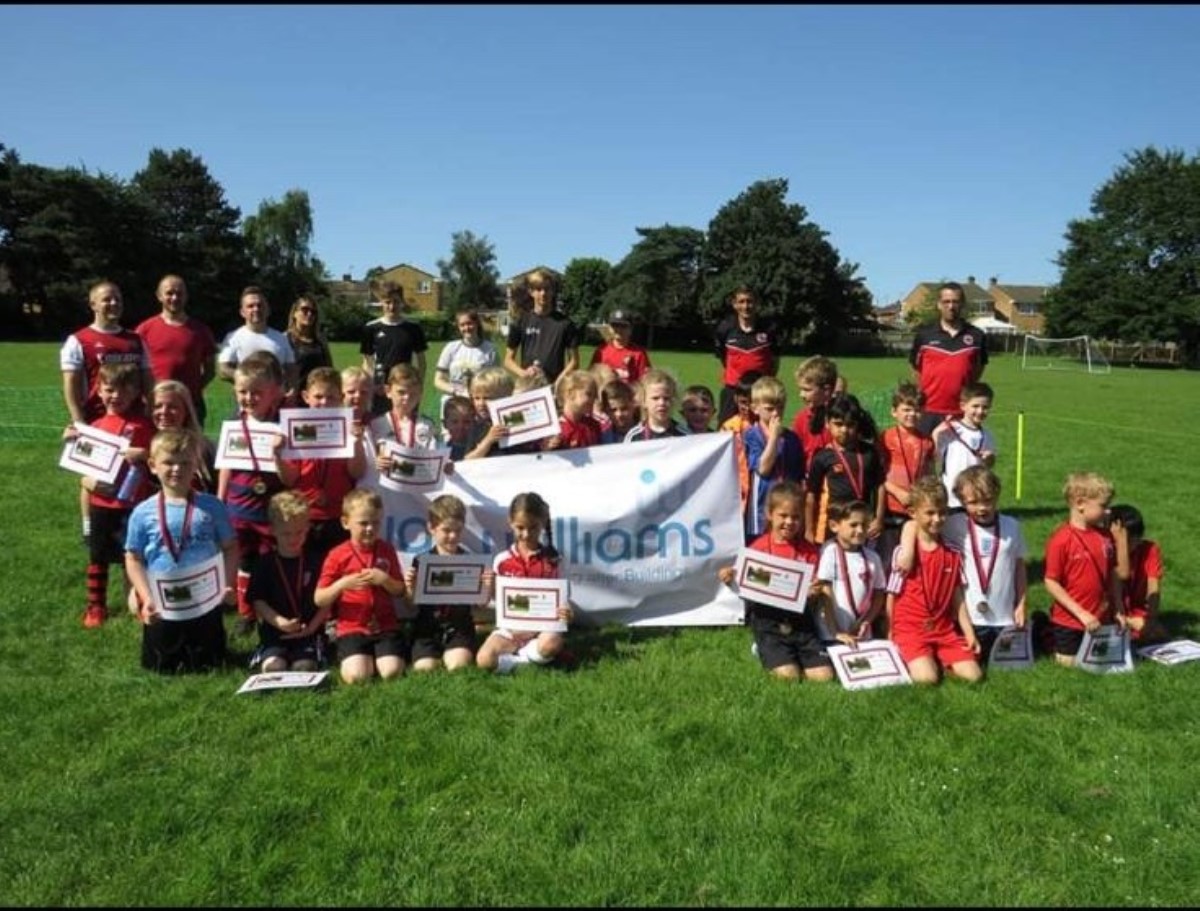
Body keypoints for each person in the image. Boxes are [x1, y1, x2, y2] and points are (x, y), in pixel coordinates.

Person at [125, 429, 237, 673]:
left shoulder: (212, 507)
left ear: (196, 465)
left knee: (210, 665)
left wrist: (227, 584)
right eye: (169, 463)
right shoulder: (142, 512)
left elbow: (230, 547)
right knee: (161, 666)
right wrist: (146, 597)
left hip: (205, 597)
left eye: (185, 463)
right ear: (153, 466)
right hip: (162, 601)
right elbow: (133, 558)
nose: (177, 469)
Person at [61, 279, 152, 545]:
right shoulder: (79, 340)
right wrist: (80, 423)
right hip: (97, 420)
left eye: (117, 299)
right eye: (107, 299)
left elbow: (148, 380)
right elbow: (71, 386)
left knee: (132, 475)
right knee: (93, 477)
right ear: (93, 304)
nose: (113, 303)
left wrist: (150, 412)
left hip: (132, 420)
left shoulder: (135, 340)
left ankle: (132, 522)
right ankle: (91, 525)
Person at [67, 362, 156, 628]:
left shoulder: (143, 425)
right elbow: (81, 466)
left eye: (122, 390)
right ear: (99, 391)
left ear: (135, 393)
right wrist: (72, 441)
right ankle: (96, 606)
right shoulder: (94, 426)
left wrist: (142, 454)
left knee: (133, 555)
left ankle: (141, 600)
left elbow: (157, 455)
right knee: (98, 556)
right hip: (101, 503)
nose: (115, 396)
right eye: (109, 390)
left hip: (132, 505)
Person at [717, 481, 833, 682]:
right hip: (768, 621)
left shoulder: (810, 552)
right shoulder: (757, 549)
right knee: (788, 677)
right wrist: (729, 578)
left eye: (795, 517)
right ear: (770, 514)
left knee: (824, 678)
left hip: (801, 622)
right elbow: (743, 583)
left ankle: (796, 655)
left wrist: (813, 593)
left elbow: (816, 593)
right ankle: (762, 647)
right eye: (783, 515)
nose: (789, 522)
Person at [217, 351, 288, 636]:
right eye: (242, 392)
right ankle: (246, 613)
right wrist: (220, 500)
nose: (248, 398)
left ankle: (274, 606)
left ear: (274, 392)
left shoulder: (283, 423)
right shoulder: (234, 422)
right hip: (238, 505)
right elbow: (225, 464)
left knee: (272, 558)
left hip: (270, 507)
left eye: (257, 392)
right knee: (244, 560)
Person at [887, 476, 983, 685]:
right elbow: (891, 595)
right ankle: (926, 662)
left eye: (942, 512)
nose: (937, 519)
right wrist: (889, 632)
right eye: (930, 513)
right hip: (911, 629)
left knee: (974, 676)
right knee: (926, 680)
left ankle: (938, 659)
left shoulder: (953, 552)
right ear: (913, 513)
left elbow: (957, 597)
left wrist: (968, 632)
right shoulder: (904, 553)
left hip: (944, 629)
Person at [310, 488, 409, 684]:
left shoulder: (386, 549)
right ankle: (359, 656)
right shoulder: (337, 555)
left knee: (392, 673)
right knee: (357, 677)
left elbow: (400, 591)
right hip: (351, 627)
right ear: (345, 523)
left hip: (385, 625)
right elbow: (319, 598)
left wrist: (385, 580)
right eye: (363, 523)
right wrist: (342, 584)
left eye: (376, 522)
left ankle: (382, 655)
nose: (370, 528)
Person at [276, 367, 367, 566]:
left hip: (338, 516)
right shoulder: (294, 428)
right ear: (305, 396)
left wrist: (357, 442)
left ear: (341, 397)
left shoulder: (347, 428)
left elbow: (357, 472)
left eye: (332, 397)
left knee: (337, 570)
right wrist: (277, 455)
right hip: (304, 516)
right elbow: (289, 479)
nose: (324, 402)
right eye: (318, 396)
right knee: (304, 572)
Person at [477, 492, 574, 674]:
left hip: (542, 631)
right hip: (511, 630)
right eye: (520, 528)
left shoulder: (554, 560)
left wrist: (567, 613)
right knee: (484, 660)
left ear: (543, 523)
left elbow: (563, 600)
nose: (527, 534)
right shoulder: (502, 560)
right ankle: (534, 662)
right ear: (510, 523)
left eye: (533, 527)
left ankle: (525, 661)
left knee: (551, 643)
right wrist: (488, 586)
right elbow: (489, 600)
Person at [941, 466, 1028, 661]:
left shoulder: (1011, 526)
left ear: (997, 496)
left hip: (1004, 616)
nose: (982, 508)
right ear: (962, 501)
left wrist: (1021, 604)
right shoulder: (953, 525)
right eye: (973, 502)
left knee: (1007, 668)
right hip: (969, 618)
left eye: (988, 500)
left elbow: (1019, 567)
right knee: (972, 664)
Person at [403, 494, 496, 673]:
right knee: (425, 669)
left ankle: (453, 652)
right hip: (427, 628)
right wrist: (410, 588)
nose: (453, 536)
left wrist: (487, 586)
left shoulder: (470, 561)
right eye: (446, 530)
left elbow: (481, 602)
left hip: (460, 627)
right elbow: (410, 605)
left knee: (458, 666)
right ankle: (429, 654)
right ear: (432, 528)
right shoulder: (421, 561)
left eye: (458, 531)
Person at [1043, 472, 1125, 666]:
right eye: (1103, 506)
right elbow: (1051, 581)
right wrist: (1081, 613)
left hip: (1101, 617)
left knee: (1099, 663)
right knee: (1070, 665)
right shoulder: (1061, 540)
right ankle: (1043, 630)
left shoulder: (1106, 537)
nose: (1108, 512)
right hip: (1069, 620)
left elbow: (1112, 573)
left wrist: (1119, 608)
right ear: (1080, 503)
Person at [248, 491, 324, 673]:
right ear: (273, 530)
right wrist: (279, 621)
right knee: (274, 667)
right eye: (286, 533)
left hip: (308, 632)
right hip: (275, 632)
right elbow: (258, 600)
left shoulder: (316, 561)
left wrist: (312, 627)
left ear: (308, 528)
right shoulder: (264, 563)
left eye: (299, 532)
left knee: (304, 667)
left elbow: (326, 601)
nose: (293, 539)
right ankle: (268, 654)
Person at [135, 274, 218, 428]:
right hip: (156, 404)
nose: (174, 298)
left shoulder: (201, 330)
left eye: (179, 293)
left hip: (190, 403)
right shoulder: (144, 330)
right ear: (159, 296)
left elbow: (210, 370)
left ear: (186, 296)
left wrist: (192, 390)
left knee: (191, 447)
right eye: (169, 293)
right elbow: (136, 368)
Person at [804, 393, 886, 546]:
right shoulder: (822, 457)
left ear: (857, 425)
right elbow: (811, 496)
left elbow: (880, 486)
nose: (844, 429)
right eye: (838, 424)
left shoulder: (869, 452)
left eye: (850, 425)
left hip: (863, 526)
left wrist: (879, 518)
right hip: (832, 528)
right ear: (827, 423)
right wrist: (809, 529)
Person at [910, 281, 988, 437]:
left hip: (961, 413)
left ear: (962, 304)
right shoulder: (924, 335)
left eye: (955, 302)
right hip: (928, 412)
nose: (951, 306)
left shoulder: (977, 336)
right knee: (925, 460)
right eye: (946, 302)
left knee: (960, 460)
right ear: (939, 304)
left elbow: (978, 370)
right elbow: (915, 370)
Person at [877, 382, 936, 568]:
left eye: (917, 410)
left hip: (915, 509)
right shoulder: (885, 438)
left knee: (911, 557)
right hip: (890, 507)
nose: (912, 414)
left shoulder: (926, 441)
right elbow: (878, 473)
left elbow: (929, 474)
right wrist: (897, 492)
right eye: (907, 409)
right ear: (894, 411)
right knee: (888, 558)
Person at [742, 376, 805, 541]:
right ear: (755, 408)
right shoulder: (751, 435)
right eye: (769, 409)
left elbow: (799, 476)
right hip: (762, 506)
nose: (776, 413)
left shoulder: (792, 438)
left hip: (788, 508)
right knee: (760, 551)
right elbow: (763, 468)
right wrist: (773, 438)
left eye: (780, 408)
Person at [815, 499, 887, 644]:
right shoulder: (830, 552)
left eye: (864, 525)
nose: (860, 530)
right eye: (853, 525)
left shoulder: (873, 558)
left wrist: (866, 621)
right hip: (831, 633)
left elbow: (879, 594)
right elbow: (825, 593)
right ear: (834, 526)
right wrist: (836, 632)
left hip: (861, 633)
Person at [216, 286, 299, 407]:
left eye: (260, 305)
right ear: (242, 312)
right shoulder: (233, 337)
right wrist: (250, 379)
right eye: (250, 306)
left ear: (268, 310)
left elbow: (292, 369)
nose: (256, 309)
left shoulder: (281, 338)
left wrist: (292, 389)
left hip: (276, 403)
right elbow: (222, 370)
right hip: (246, 403)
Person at [713, 286, 781, 424]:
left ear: (756, 303)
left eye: (750, 301)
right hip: (732, 391)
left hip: (760, 392)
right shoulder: (725, 328)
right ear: (735, 304)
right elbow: (723, 357)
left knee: (762, 430)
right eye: (741, 301)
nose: (746, 306)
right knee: (726, 431)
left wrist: (767, 384)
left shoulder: (769, 329)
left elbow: (775, 359)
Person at [360, 281, 429, 418]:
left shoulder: (413, 328)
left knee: (406, 425)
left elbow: (422, 362)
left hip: (405, 389)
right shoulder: (371, 328)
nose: (392, 306)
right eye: (387, 302)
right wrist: (371, 385)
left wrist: (418, 386)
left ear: (402, 302)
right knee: (380, 426)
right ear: (381, 303)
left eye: (396, 302)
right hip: (380, 390)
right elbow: (367, 362)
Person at [504, 270, 579, 385]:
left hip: (555, 387)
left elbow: (574, 361)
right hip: (529, 386)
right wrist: (524, 373)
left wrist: (559, 382)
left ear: (553, 291)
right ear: (531, 292)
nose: (543, 293)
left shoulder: (565, 324)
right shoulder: (520, 321)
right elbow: (508, 360)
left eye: (547, 289)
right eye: (539, 289)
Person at [933, 381, 997, 511]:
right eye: (975, 406)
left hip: (976, 496)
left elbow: (989, 464)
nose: (980, 411)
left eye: (985, 407)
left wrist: (989, 459)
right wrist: (936, 434)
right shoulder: (950, 430)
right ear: (963, 406)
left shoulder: (987, 435)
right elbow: (934, 457)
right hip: (952, 496)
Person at [1109, 503, 1167, 643]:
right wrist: (1129, 621)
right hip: (1110, 611)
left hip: (1135, 610)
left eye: (1136, 540)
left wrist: (1151, 619)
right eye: (1128, 540)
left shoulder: (1149, 549)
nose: (1133, 545)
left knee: (1158, 634)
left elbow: (1153, 587)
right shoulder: (1106, 550)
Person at [370, 363, 438, 479]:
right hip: (387, 489)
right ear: (388, 391)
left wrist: (444, 464)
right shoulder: (376, 424)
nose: (407, 398)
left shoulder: (427, 425)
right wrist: (376, 461)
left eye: (413, 393)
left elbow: (435, 458)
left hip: (419, 489)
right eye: (401, 392)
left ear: (420, 393)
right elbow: (368, 458)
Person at [433, 309, 499, 427]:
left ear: (477, 324)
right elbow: (438, 380)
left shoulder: (490, 349)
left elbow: (496, 382)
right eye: (462, 325)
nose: (466, 328)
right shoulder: (451, 348)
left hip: (479, 406)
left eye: (469, 323)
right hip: (454, 405)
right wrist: (457, 391)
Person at [148, 380, 216, 494]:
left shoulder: (202, 447)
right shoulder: (140, 443)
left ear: (186, 411)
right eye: (158, 406)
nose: (164, 412)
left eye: (172, 407)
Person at [719, 370, 761, 528]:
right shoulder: (729, 428)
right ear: (736, 399)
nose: (747, 408)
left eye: (752, 403)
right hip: (736, 492)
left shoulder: (766, 427)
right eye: (743, 402)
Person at [789, 355, 839, 463]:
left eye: (807, 390)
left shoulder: (840, 418)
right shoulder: (802, 418)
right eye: (800, 389)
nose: (801, 394)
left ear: (827, 390)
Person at [463, 366, 518, 460]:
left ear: (505, 397)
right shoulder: (477, 426)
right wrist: (488, 440)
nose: (481, 404)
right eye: (476, 398)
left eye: (488, 398)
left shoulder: (516, 418)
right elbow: (468, 459)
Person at [284, 295, 334, 395]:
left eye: (313, 311)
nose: (309, 314)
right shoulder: (285, 339)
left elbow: (329, 369)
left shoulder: (320, 340)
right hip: (294, 396)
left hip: (318, 396)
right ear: (295, 313)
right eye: (305, 310)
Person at [624, 368, 688, 442]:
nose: (661, 403)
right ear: (644, 401)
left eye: (666, 398)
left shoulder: (685, 435)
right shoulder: (634, 437)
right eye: (655, 398)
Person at [545, 370, 603, 450]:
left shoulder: (593, 425)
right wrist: (548, 447)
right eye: (588, 394)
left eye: (594, 395)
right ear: (570, 393)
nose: (593, 399)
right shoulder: (556, 429)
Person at [589, 309, 651, 384]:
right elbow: (592, 377)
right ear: (609, 328)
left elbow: (645, 381)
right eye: (615, 325)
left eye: (623, 326)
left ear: (631, 329)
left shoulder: (639, 353)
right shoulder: (601, 351)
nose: (618, 329)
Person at [599, 379, 638, 445]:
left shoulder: (646, 434)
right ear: (606, 411)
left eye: (624, 408)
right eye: (613, 410)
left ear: (633, 405)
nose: (619, 414)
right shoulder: (603, 439)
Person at [441, 395, 475, 461]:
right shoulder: (442, 452)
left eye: (467, 422)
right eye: (455, 422)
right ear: (445, 424)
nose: (461, 426)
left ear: (474, 423)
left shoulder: (480, 447)